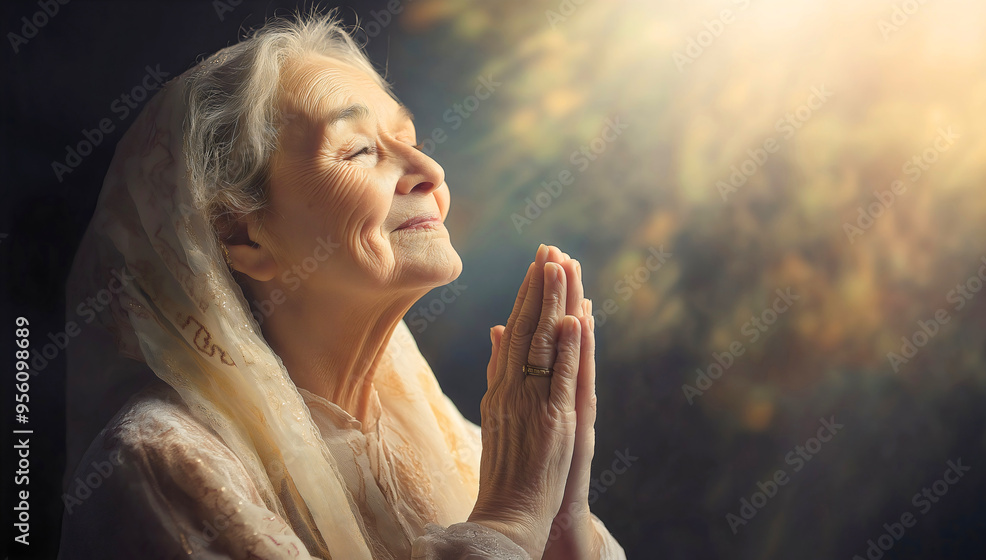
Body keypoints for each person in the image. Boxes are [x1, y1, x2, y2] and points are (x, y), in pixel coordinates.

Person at [58, 11, 626, 559]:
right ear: (242, 235)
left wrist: (560, 512)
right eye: (359, 150)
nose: (430, 172)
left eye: (411, 140)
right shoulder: (165, 462)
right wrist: (511, 517)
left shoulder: (449, 438)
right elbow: (509, 522)